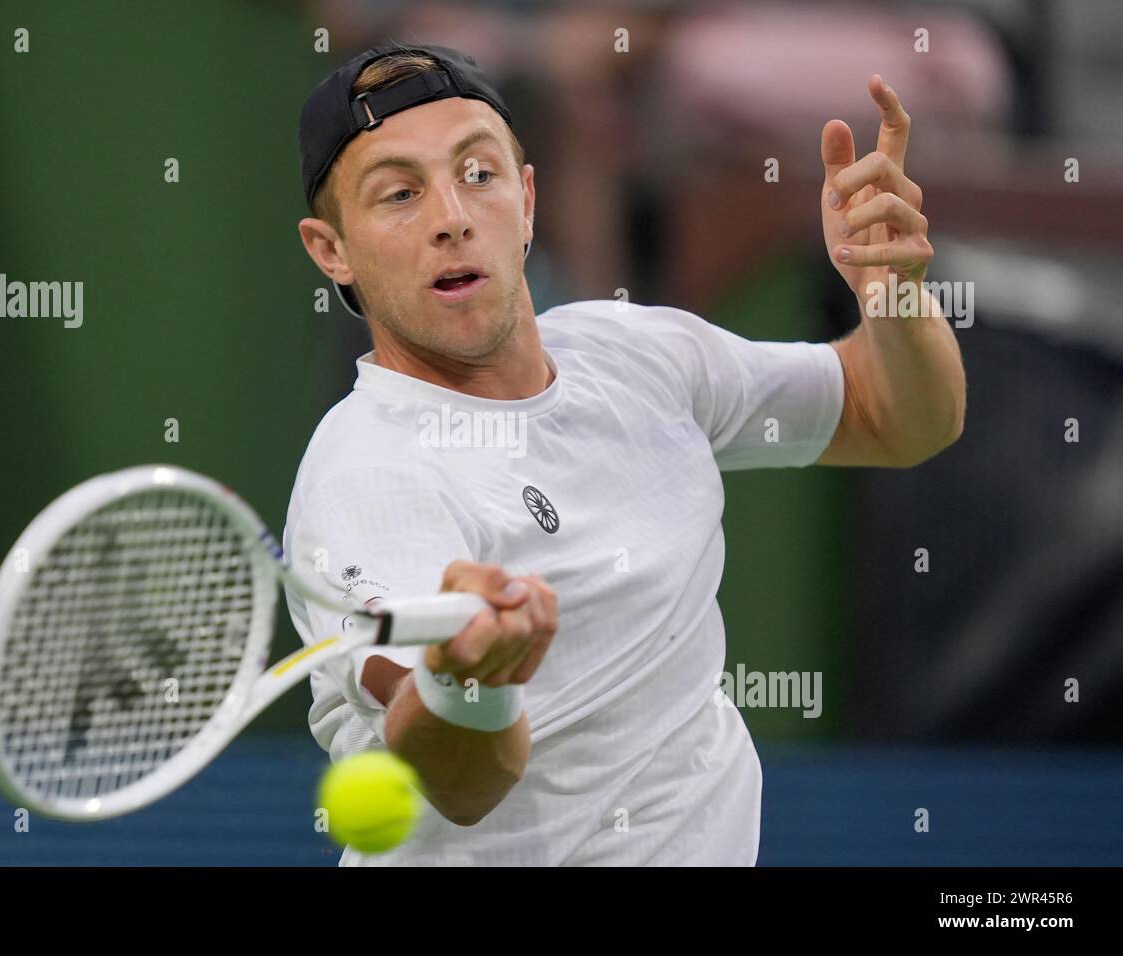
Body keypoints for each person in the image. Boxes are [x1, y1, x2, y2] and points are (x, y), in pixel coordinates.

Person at [286, 43, 965, 865]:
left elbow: (899, 418)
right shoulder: (367, 478)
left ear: (527, 200)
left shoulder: (637, 355)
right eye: (400, 193)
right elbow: (463, 785)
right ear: (332, 250)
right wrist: (471, 681)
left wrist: (893, 294)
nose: (451, 216)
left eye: (478, 174)